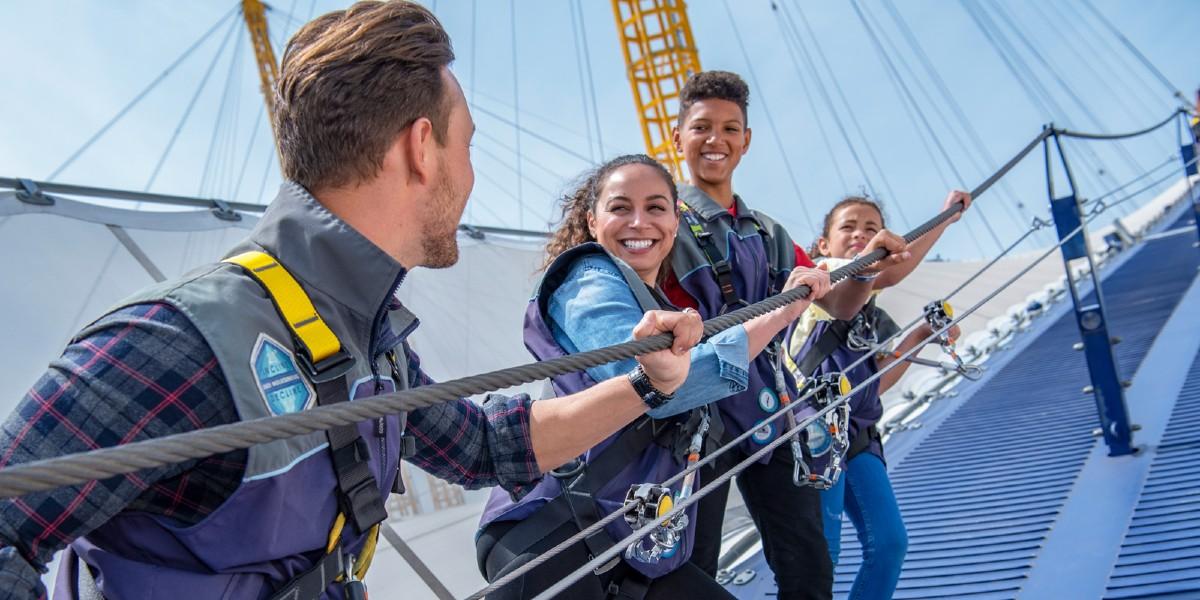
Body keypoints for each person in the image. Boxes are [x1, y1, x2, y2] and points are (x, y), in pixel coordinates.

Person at [0, 4, 707, 599]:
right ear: (421, 148)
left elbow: (485, 445)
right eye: (469, 146)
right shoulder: (178, 341)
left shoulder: (365, 339)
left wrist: (647, 381)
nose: (470, 175)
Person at [474, 154, 832, 599]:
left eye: (656, 208)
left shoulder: (649, 300)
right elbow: (653, 383)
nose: (639, 222)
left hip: (618, 541)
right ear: (592, 220)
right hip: (556, 535)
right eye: (620, 208)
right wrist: (779, 314)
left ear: (677, 221)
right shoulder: (586, 280)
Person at [660, 70, 912, 600]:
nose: (716, 140)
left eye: (731, 128)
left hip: (769, 415)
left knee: (809, 565)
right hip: (697, 421)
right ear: (676, 134)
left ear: (746, 141)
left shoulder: (769, 233)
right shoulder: (663, 224)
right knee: (696, 566)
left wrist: (864, 267)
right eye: (702, 127)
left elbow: (837, 302)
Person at [787, 192, 970, 600]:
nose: (860, 235)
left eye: (871, 229)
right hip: (816, 429)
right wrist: (944, 219)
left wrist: (921, 335)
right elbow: (886, 273)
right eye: (848, 228)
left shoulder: (873, 315)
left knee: (890, 543)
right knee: (824, 552)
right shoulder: (819, 279)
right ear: (823, 245)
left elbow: (879, 379)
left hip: (858, 433)